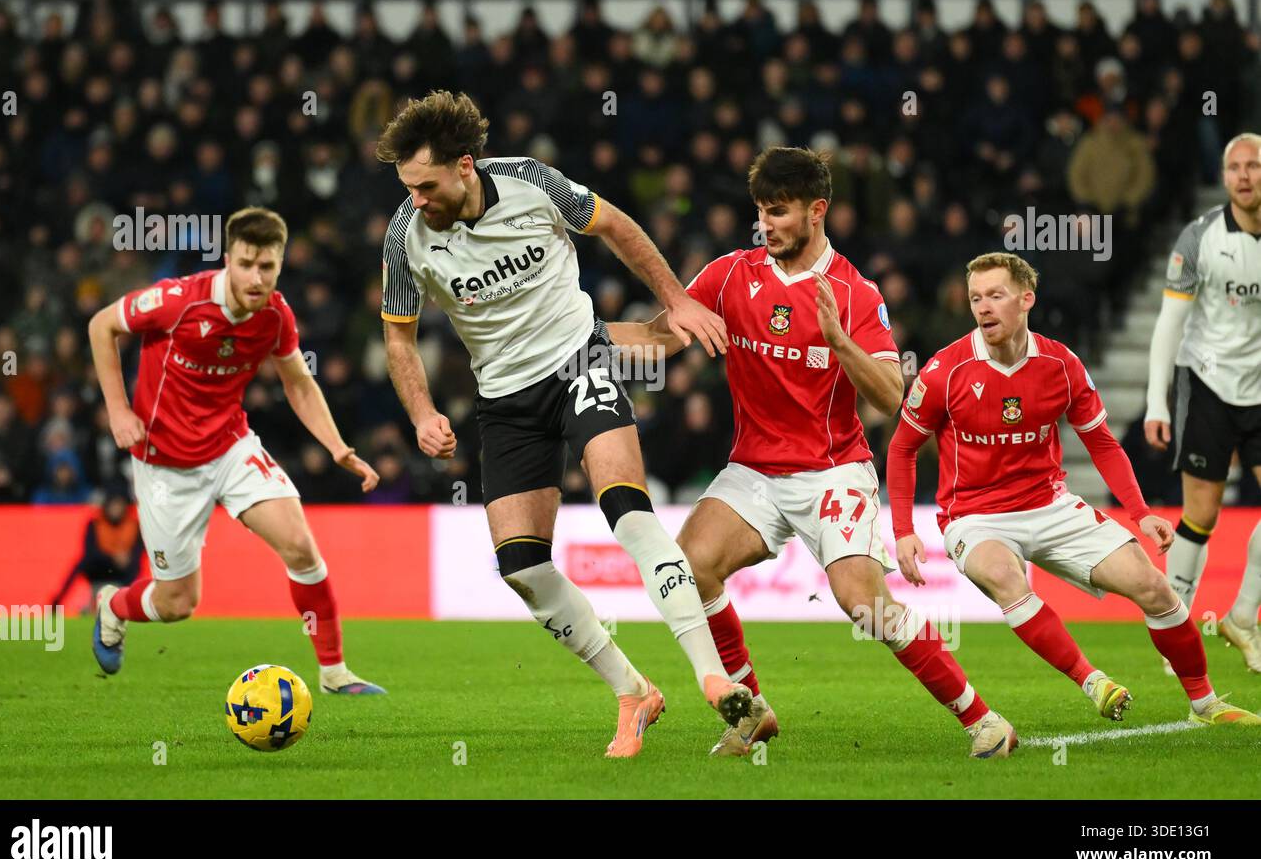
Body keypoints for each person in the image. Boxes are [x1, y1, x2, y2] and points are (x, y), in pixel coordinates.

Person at [610, 147, 1020, 759]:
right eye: (760, 212)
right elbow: (658, 339)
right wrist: (574, 336)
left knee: (865, 607)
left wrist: (838, 342)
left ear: (816, 210)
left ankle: (984, 720)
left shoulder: (854, 293)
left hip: (833, 471)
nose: (766, 224)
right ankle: (751, 712)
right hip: (752, 469)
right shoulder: (729, 275)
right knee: (689, 567)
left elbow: (890, 395)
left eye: (778, 212)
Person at [377, 90, 750, 758]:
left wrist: (676, 300)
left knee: (627, 512)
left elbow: (616, 226)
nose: (418, 199)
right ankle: (633, 691)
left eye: (426, 185)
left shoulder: (530, 182)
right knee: (521, 566)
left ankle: (712, 676)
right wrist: (422, 412)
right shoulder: (406, 235)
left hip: (582, 357)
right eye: (409, 187)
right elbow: (400, 339)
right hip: (505, 401)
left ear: (465, 166)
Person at [888, 252, 1259, 727]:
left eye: (995, 296)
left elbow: (1101, 443)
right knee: (1006, 578)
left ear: (1026, 299)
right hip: (975, 517)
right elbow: (901, 450)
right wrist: (902, 529)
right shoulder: (946, 371)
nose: (983, 308)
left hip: (1050, 505)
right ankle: (1093, 681)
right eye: (976, 298)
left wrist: (1140, 511)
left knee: (1154, 587)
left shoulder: (1060, 364)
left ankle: (1206, 705)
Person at [86, 207, 384, 694]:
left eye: (267, 266)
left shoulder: (275, 316)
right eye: (246, 263)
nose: (256, 276)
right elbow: (102, 325)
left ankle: (334, 673)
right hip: (165, 463)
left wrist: (337, 447)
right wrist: (118, 411)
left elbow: (299, 383)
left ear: (280, 266)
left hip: (229, 447)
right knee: (178, 603)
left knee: (301, 546)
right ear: (228, 259)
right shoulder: (178, 300)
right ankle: (113, 605)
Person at [1145, 132, 1261, 674]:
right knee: (1201, 515)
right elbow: (1170, 321)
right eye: (1234, 167)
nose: (1244, 175)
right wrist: (1156, 402)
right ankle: (1178, 626)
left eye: (1254, 166)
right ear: (1223, 176)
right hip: (1208, 385)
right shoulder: (1200, 237)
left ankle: (1242, 615)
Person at [48, 483, 143, 613]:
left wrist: (126, 559)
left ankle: (130, 605)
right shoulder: (95, 524)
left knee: (136, 567)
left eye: (120, 505)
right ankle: (56, 603)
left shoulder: (134, 526)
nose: (116, 509)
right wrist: (113, 558)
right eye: (113, 505)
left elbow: (138, 553)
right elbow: (90, 552)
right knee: (81, 563)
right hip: (100, 568)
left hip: (124, 571)